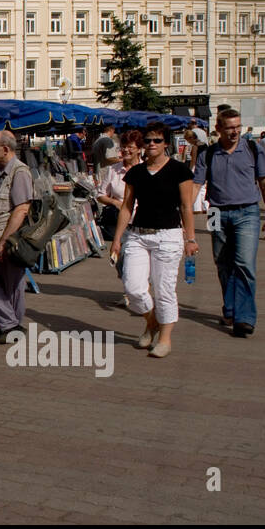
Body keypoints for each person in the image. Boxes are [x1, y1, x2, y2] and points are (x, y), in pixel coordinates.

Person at [109, 124, 198, 358]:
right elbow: (127, 207)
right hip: (138, 234)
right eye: (148, 140)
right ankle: (152, 321)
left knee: (164, 289)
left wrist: (191, 238)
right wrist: (117, 239)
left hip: (168, 235)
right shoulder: (136, 173)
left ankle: (165, 338)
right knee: (134, 287)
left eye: (157, 140)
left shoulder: (179, 171)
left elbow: (186, 206)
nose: (152, 144)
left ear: (166, 143)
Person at [192, 108, 265, 338]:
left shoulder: (253, 150)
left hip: (248, 212)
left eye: (238, 127)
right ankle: (229, 308)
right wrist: (184, 216)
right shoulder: (207, 154)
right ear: (218, 129)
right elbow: (195, 186)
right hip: (216, 213)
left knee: (244, 264)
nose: (235, 132)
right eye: (230, 127)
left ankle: (244, 318)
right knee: (222, 263)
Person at [0, 130, 33, 343]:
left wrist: (3, 241)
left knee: (12, 284)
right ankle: (10, 325)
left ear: (5, 149)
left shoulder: (19, 172)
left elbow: (21, 209)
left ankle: (11, 326)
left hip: (11, 240)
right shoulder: (2, 172)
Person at [96, 130, 143, 305]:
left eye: (131, 147)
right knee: (120, 259)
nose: (126, 151)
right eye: (124, 147)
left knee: (138, 260)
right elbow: (100, 195)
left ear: (139, 149)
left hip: (142, 221)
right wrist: (115, 203)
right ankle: (130, 289)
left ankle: (136, 292)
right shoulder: (114, 170)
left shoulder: (145, 169)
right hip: (119, 222)